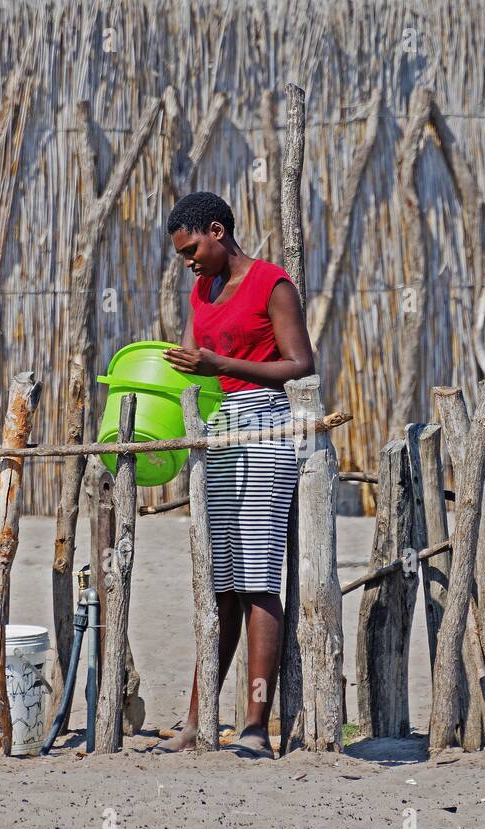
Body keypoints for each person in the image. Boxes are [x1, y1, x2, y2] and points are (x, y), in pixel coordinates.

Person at [155, 191, 314, 757]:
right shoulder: (203, 290)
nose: (189, 263)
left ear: (218, 231)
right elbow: (191, 365)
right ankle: (199, 722)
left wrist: (218, 365)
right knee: (220, 581)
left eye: (193, 249)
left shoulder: (272, 284)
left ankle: (253, 726)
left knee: (258, 578)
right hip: (219, 431)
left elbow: (301, 365)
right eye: (182, 256)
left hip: (267, 429)